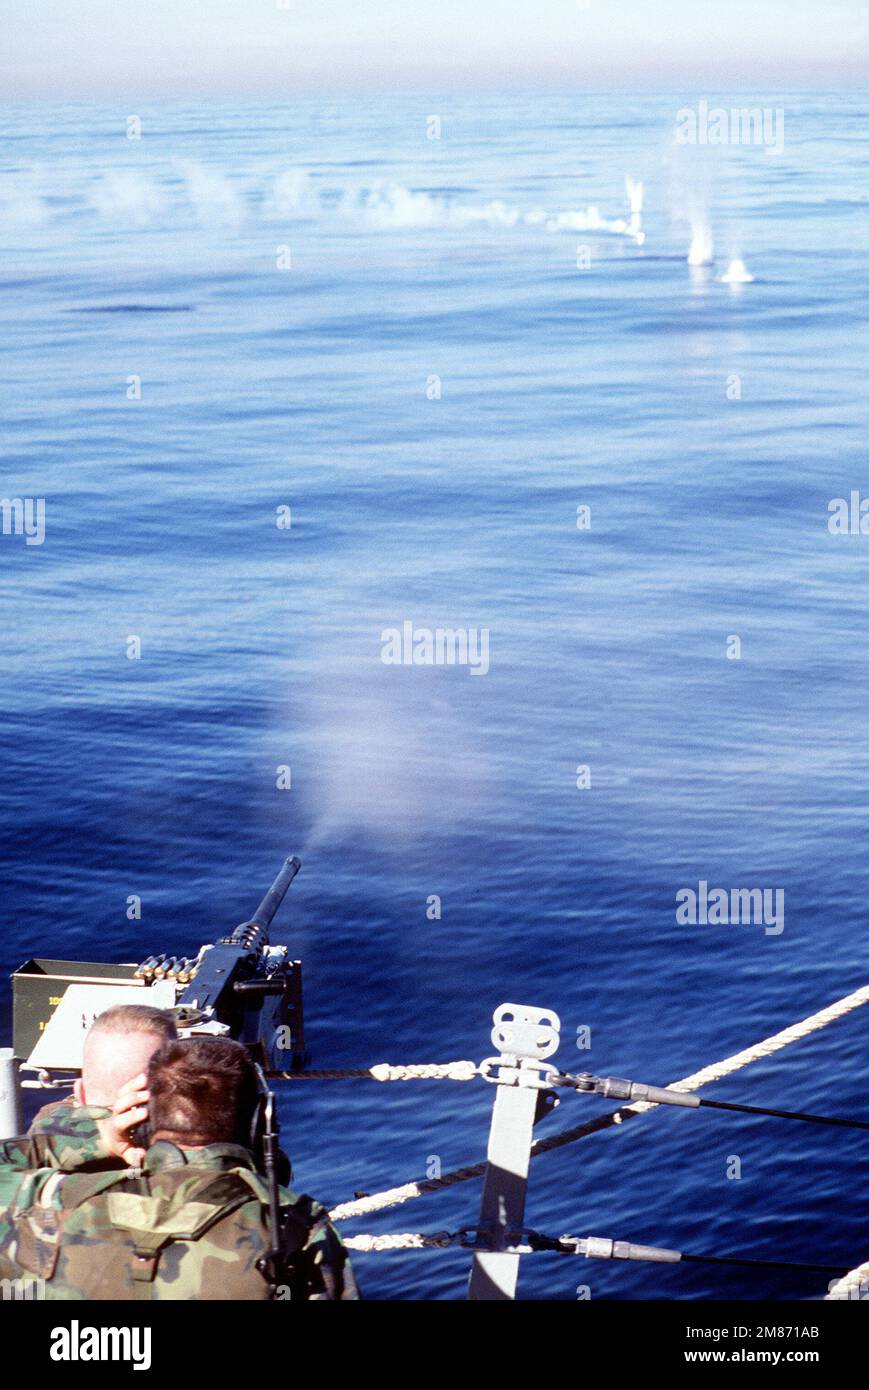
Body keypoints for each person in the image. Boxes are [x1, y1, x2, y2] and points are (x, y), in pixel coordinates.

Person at [0, 1037, 358, 1300]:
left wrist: (98, 1139)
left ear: (142, 1122)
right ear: (258, 1123)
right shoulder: (294, 1227)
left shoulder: (54, 1206)